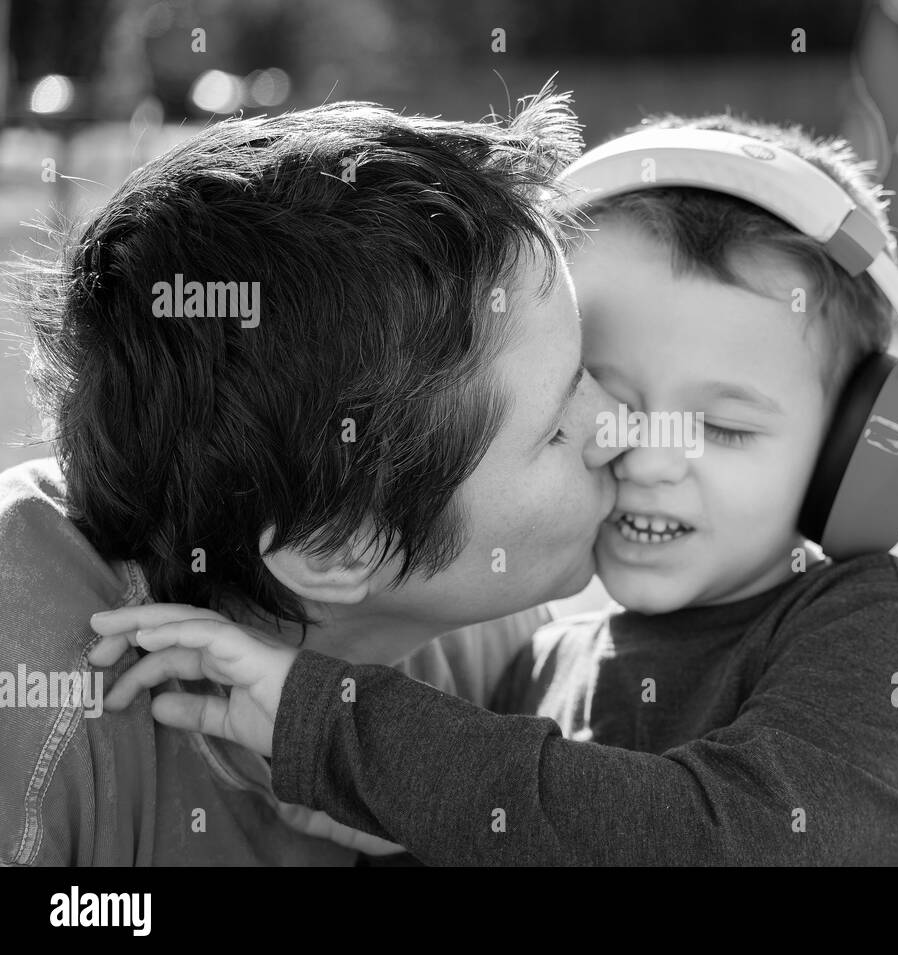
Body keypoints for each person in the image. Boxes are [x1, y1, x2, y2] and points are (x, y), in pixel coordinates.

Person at [92, 115, 898, 866]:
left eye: (724, 427)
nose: (642, 447)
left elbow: (733, 841)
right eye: (591, 384)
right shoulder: (541, 671)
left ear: (853, 450)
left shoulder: (877, 631)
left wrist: (331, 733)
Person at [0, 89, 623, 865]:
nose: (620, 424)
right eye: (558, 426)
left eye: (591, 362)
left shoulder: (488, 651)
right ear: (336, 549)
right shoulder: (30, 698)